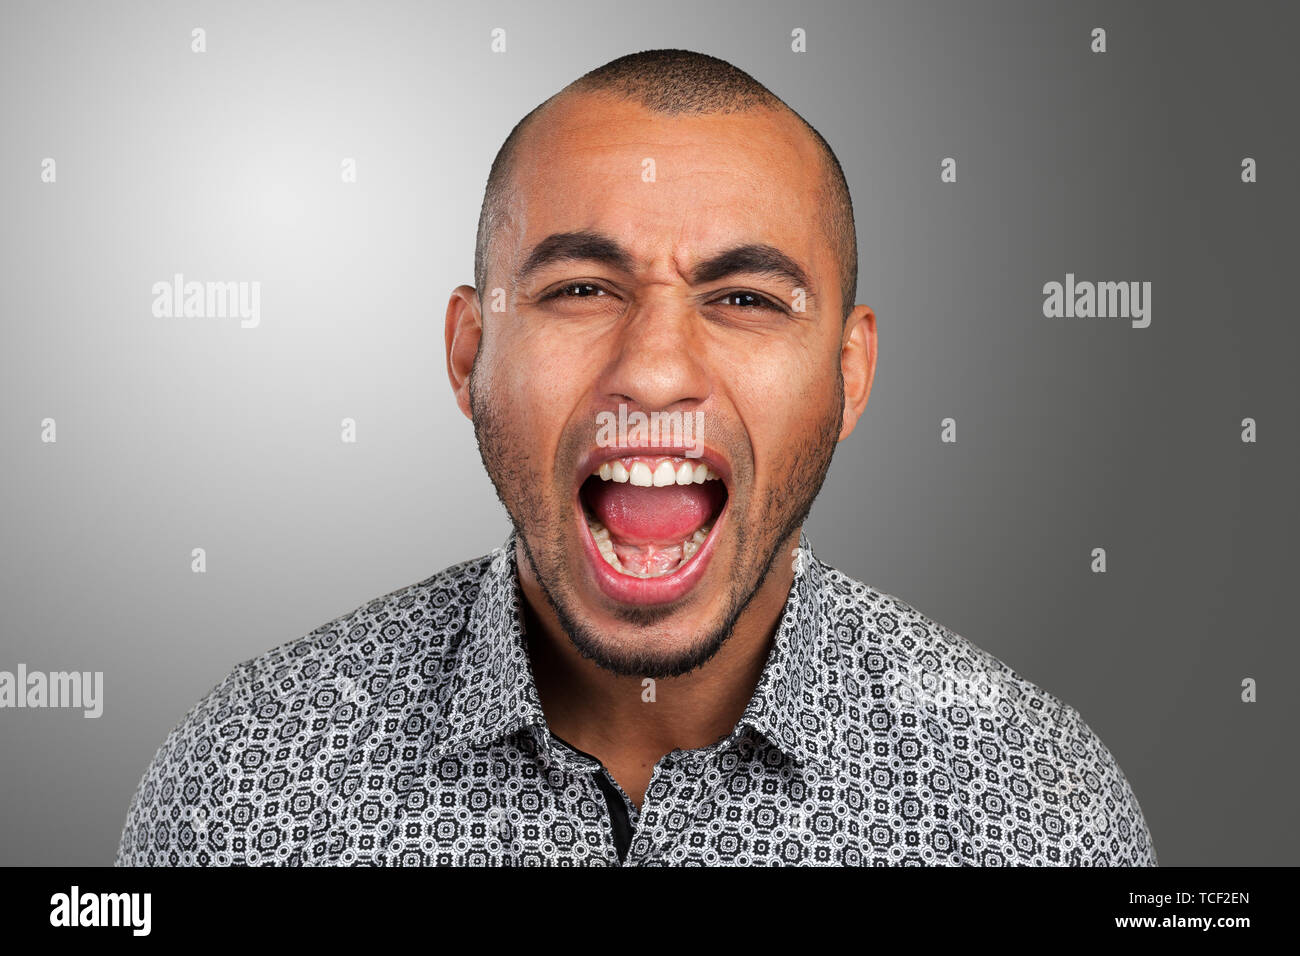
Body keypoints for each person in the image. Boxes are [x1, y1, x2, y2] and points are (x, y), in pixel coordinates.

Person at [116, 49, 1156, 866]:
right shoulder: (241, 782)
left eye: (744, 299)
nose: (654, 371)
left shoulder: (1035, 808)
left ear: (849, 373)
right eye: (580, 288)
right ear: (469, 353)